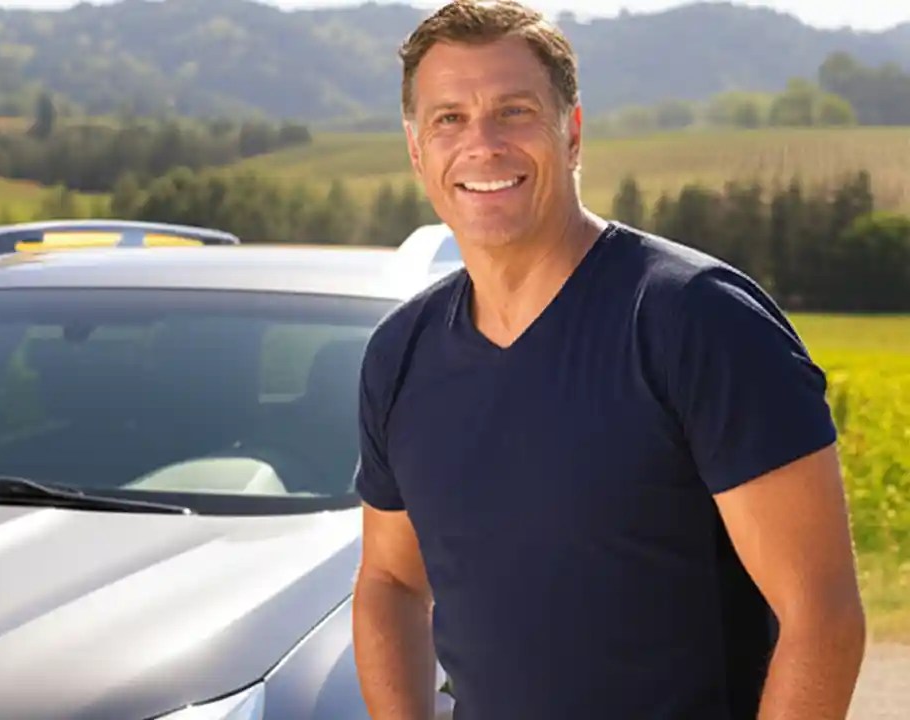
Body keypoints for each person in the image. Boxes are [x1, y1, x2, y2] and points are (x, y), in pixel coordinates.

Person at [350, 1, 868, 718]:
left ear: (573, 133)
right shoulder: (400, 354)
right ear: (417, 150)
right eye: (449, 119)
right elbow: (389, 581)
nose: (483, 145)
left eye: (515, 111)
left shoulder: (697, 320)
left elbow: (823, 616)